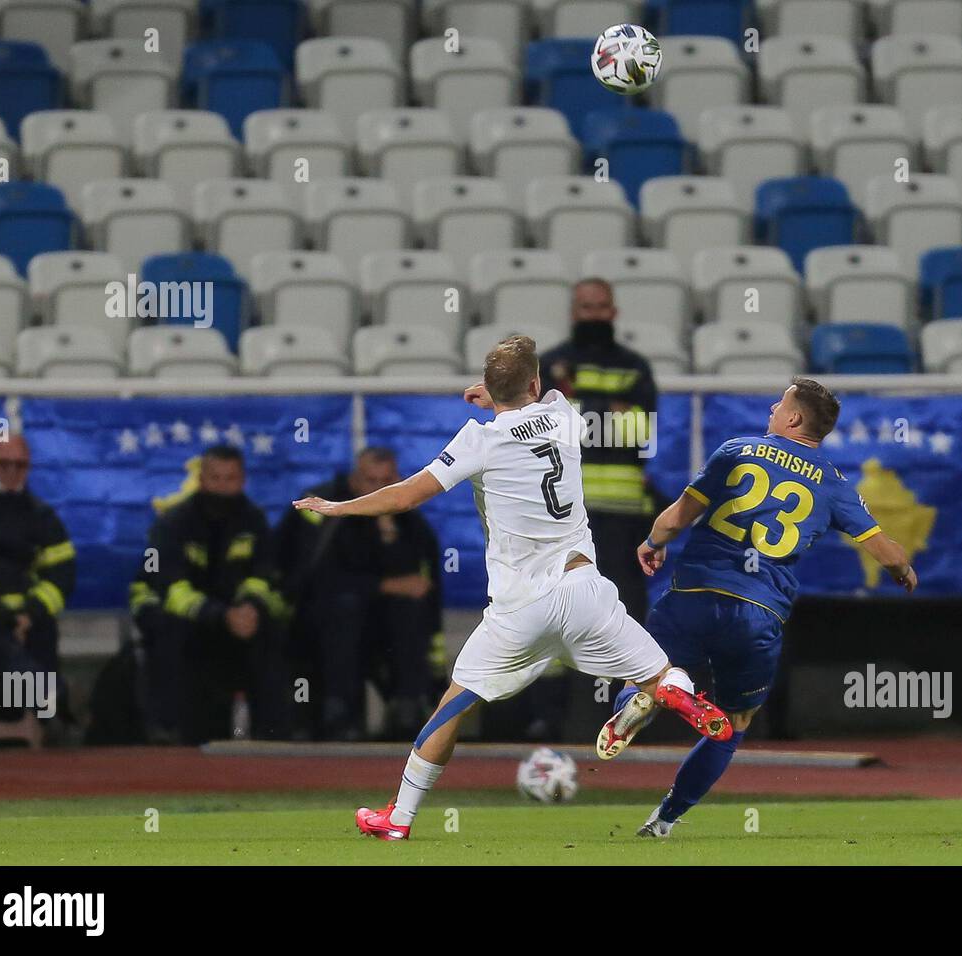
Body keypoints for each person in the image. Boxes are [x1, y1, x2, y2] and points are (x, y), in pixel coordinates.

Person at [293, 335, 730, 841]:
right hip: (586, 590)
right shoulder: (564, 415)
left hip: (522, 606)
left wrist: (340, 507)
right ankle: (675, 692)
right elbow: (528, 399)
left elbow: (406, 496)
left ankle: (399, 818)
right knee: (662, 674)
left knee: (453, 706)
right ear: (536, 383)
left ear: (493, 387)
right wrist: (500, 393)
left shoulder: (479, 441)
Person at [610, 378, 919, 837]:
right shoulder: (833, 483)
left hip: (693, 596)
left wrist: (653, 543)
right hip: (758, 613)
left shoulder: (736, 451)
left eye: (781, 403)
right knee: (733, 723)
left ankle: (644, 699)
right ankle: (664, 820)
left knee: (645, 675)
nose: (773, 407)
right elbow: (887, 553)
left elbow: (675, 518)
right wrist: (903, 571)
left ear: (793, 418)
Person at [277, 447, 443, 740]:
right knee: (346, 611)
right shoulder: (326, 508)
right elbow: (317, 580)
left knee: (407, 611)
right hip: (320, 618)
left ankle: (407, 708)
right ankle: (340, 713)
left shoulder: (409, 521)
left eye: (386, 481)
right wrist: (386, 585)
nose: (379, 489)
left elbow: (422, 584)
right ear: (354, 481)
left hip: (383, 623)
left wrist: (388, 532)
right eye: (371, 481)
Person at [137, 444, 289, 744]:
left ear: (242, 480)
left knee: (272, 634)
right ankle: (172, 734)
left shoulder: (254, 520)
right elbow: (172, 589)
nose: (222, 487)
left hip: (237, 616)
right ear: (201, 479)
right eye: (215, 478)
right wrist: (221, 616)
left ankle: (272, 738)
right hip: (183, 615)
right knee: (170, 635)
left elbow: (263, 576)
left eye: (230, 479)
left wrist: (249, 609)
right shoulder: (173, 523)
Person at [539, 278, 659, 622]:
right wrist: (612, 410)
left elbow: (639, 430)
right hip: (565, 508)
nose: (594, 315)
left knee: (625, 601)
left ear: (614, 311)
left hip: (623, 511)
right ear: (573, 312)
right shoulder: (549, 364)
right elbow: (549, 428)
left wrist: (579, 408)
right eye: (586, 307)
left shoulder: (634, 365)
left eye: (601, 307)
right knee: (563, 598)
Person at [0, 433, 75, 729]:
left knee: (42, 638)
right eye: (3, 463)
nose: (11, 471)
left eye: (20, 465)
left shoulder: (43, 516)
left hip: (30, 619)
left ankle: (48, 714)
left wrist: (30, 613)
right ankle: (47, 695)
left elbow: (62, 575)